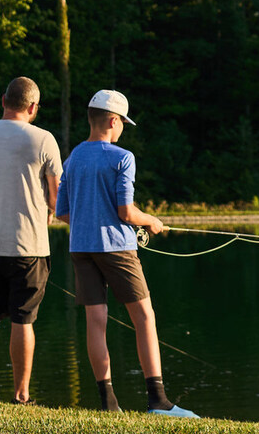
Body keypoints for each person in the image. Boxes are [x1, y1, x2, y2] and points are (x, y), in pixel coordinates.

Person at [52, 91, 196, 417]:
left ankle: (108, 403)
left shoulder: (72, 159)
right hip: (117, 248)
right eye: (122, 125)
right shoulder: (122, 157)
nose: (122, 132)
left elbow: (62, 212)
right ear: (113, 121)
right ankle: (158, 401)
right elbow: (127, 212)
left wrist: (90, 221)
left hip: (81, 248)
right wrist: (153, 222)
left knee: (95, 322)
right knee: (144, 317)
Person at [0, 76, 61, 404]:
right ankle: (21, 394)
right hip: (28, 246)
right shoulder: (44, 140)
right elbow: (57, 200)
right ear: (33, 107)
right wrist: (48, 211)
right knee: (23, 318)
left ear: (4, 100)